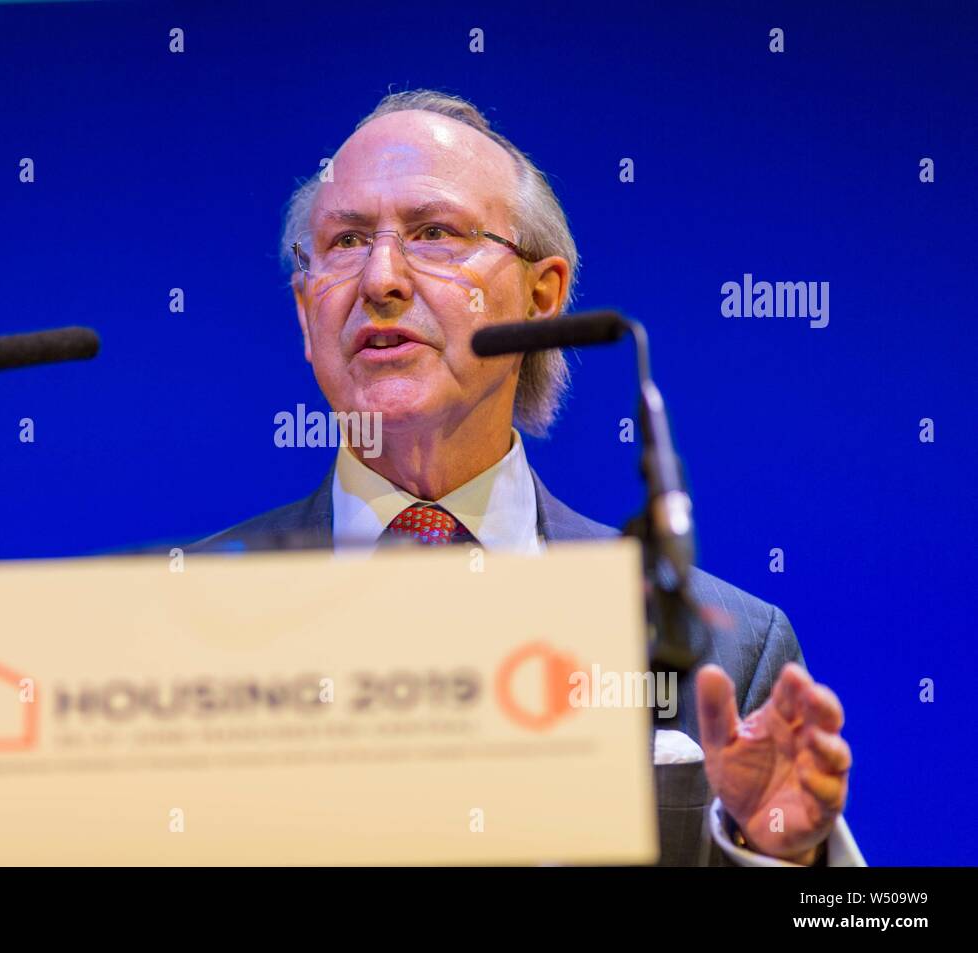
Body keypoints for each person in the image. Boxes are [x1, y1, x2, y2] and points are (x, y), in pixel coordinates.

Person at [193, 89, 863, 866]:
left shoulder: (731, 650)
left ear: (543, 298)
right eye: (344, 243)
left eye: (433, 233)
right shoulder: (178, 623)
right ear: (308, 314)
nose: (380, 278)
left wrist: (774, 852)